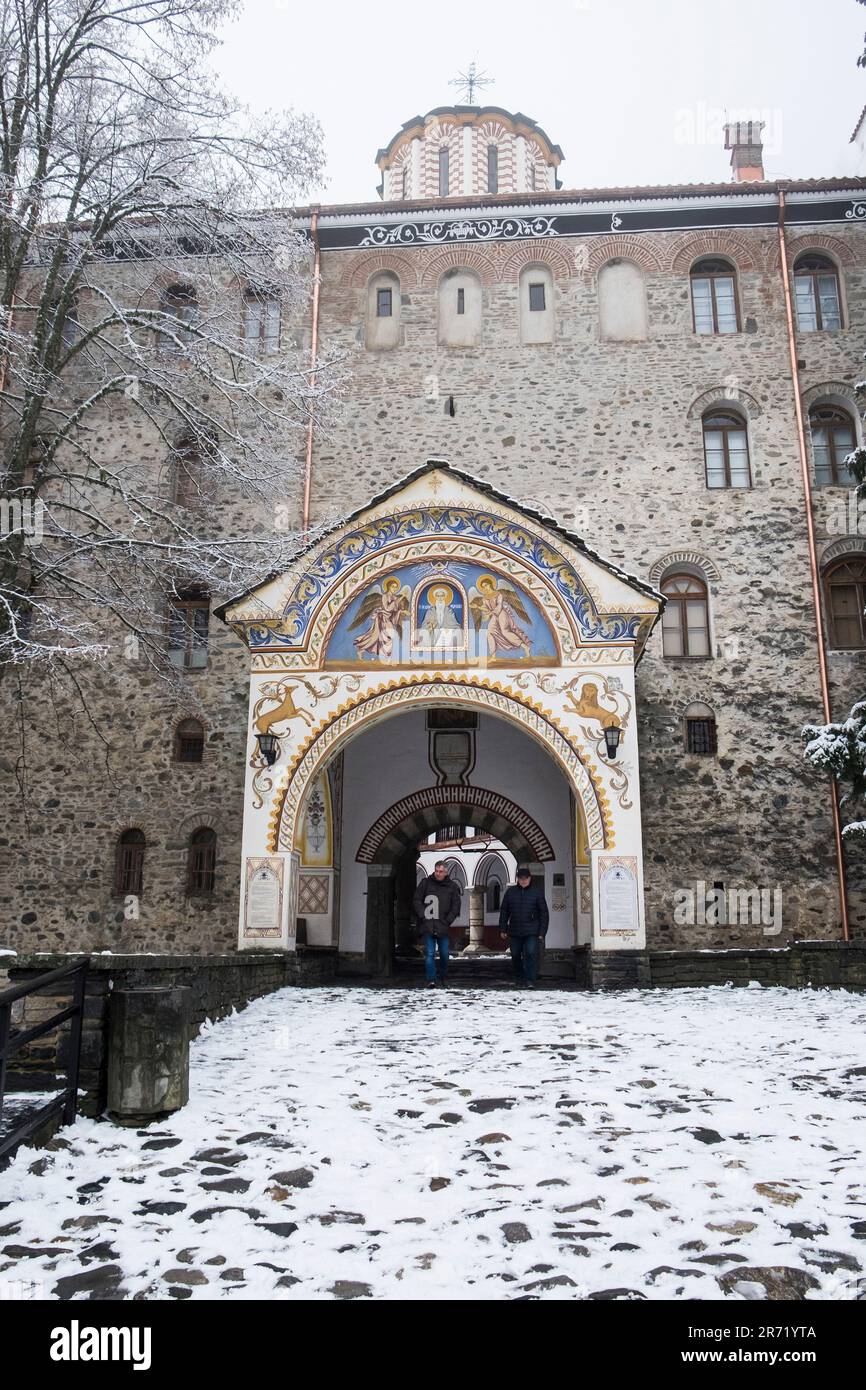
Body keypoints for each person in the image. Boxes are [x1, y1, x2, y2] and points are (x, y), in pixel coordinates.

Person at [413, 859, 462, 987]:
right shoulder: (425, 883)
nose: (438, 874)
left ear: (446, 872)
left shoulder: (452, 887)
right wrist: (423, 915)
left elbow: (456, 906)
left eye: (441, 871)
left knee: (445, 954)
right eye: (436, 871)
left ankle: (442, 976)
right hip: (428, 925)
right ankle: (431, 979)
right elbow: (417, 899)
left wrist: (448, 921)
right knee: (429, 953)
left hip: (443, 926)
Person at [499, 866, 549, 987]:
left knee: (531, 953)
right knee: (515, 955)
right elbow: (504, 911)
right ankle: (520, 978)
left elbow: (544, 913)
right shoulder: (511, 893)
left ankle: (530, 979)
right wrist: (503, 929)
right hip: (515, 931)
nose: (523, 881)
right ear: (517, 879)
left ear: (530, 878)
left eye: (525, 878)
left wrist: (542, 932)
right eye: (521, 878)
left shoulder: (537, 893)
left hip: (532, 931)